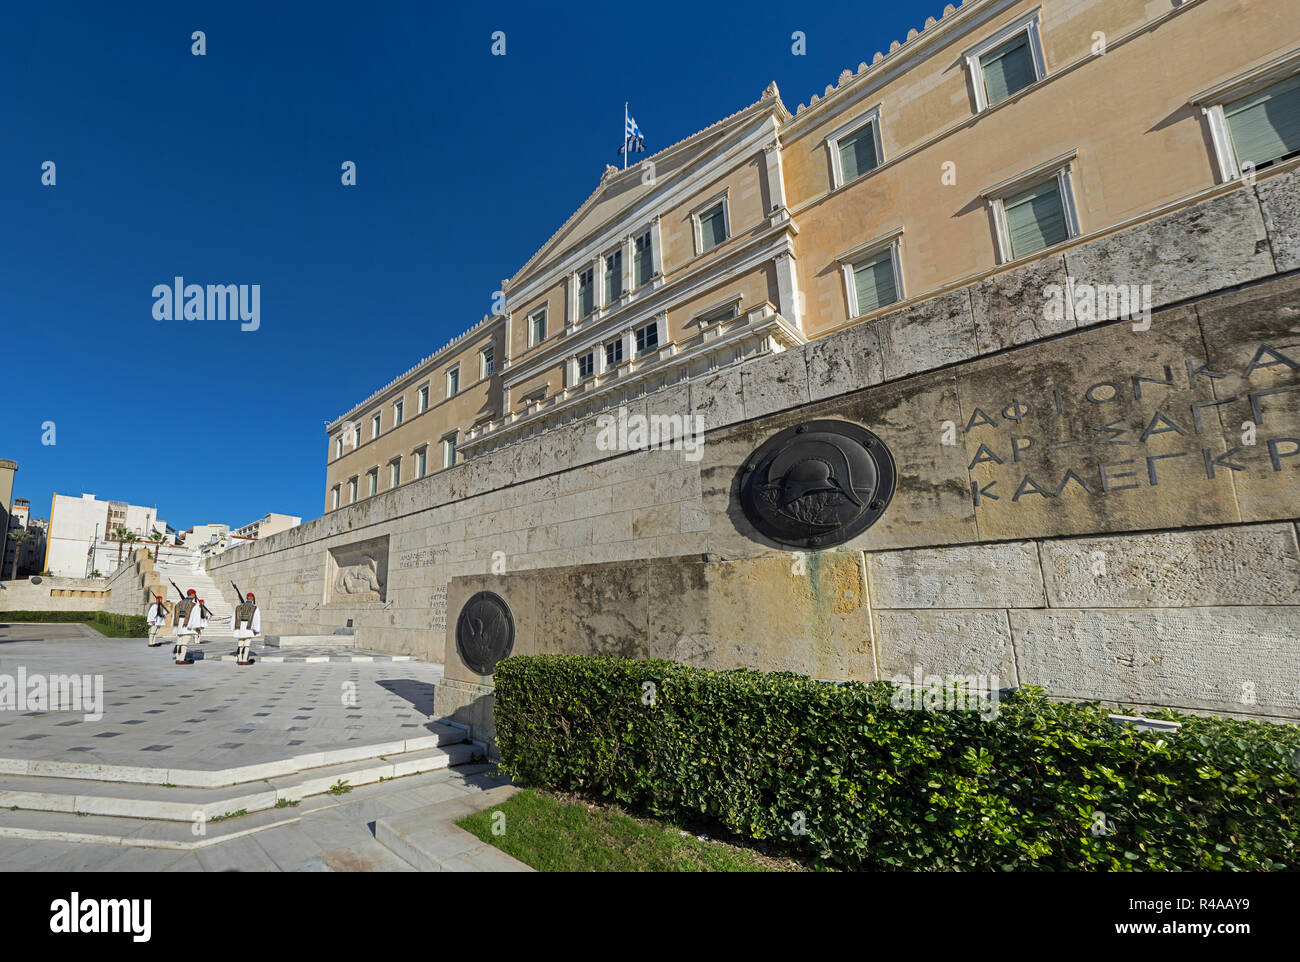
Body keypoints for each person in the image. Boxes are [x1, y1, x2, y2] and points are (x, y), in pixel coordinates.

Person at [230, 591, 260, 666]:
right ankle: (244, 660)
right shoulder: (255, 608)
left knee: (240, 643)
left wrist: (233, 627)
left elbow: (234, 618)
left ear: (246, 598)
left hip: (240, 628)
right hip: (248, 628)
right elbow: (256, 619)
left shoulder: (238, 607)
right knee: (247, 644)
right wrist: (256, 630)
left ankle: (239, 660)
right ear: (253, 599)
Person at [172, 589, 201, 665]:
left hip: (179, 626)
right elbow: (195, 617)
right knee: (184, 643)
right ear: (193, 595)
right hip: (188, 627)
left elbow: (174, 615)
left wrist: (175, 626)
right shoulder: (194, 605)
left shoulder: (179, 603)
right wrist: (197, 627)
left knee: (179, 642)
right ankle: (181, 659)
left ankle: (178, 658)